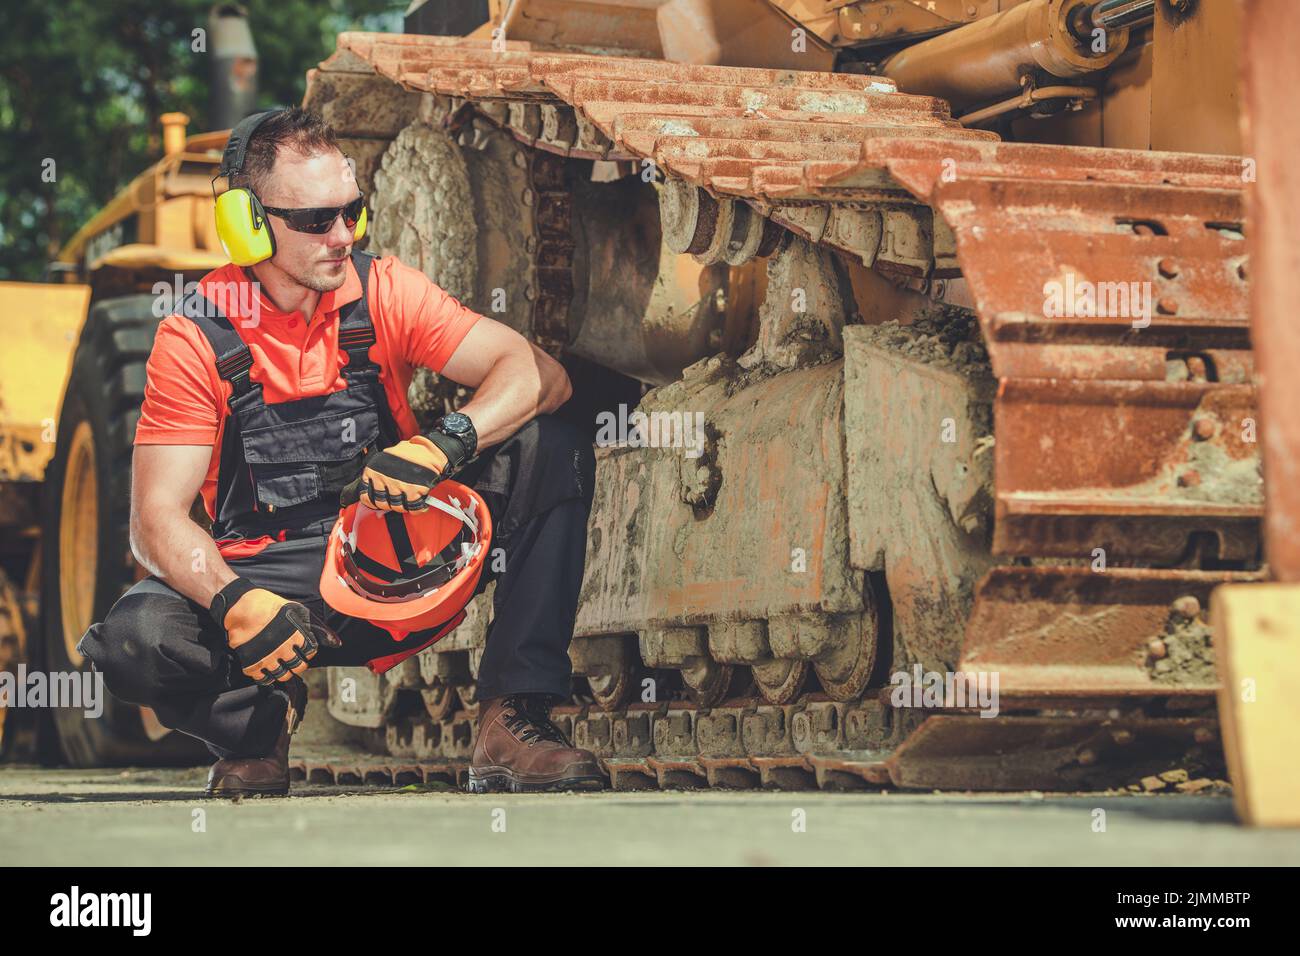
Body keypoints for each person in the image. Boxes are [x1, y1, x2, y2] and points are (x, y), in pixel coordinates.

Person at [78, 108, 606, 796]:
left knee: (549, 445)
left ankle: (512, 718)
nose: (342, 235)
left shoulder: (383, 289)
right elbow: (156, 522)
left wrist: (449, 441)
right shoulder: (195, 337)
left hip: (396, 559)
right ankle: (257, 730)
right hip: (276, 594)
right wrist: (235, 603)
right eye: (316, 220)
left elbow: (542, 376)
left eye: (352, 213)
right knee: (134, 639)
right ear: (249, 223)